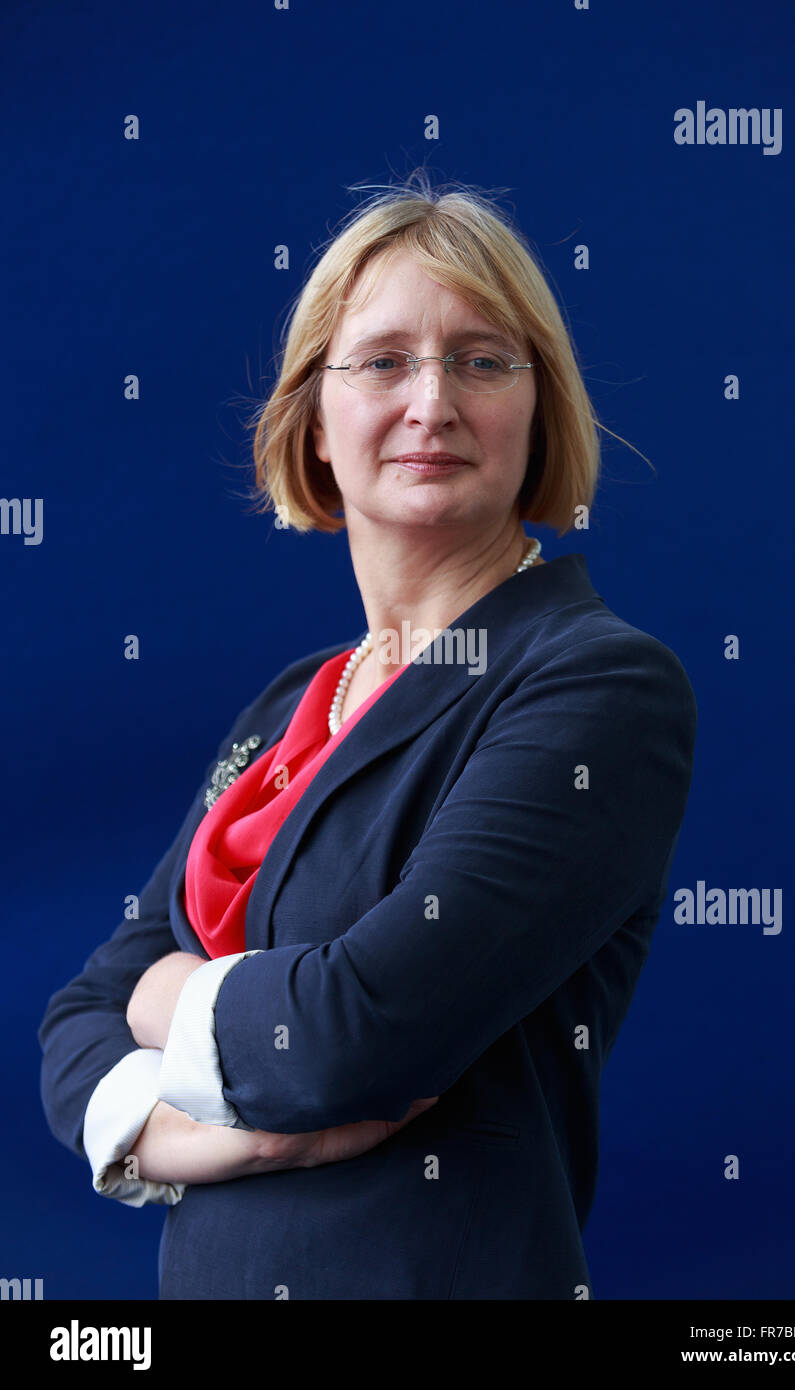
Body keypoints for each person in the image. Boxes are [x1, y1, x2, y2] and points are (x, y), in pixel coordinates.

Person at [39, 172, 697, 1300]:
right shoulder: (293, 703)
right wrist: (227, 1139)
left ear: (538, 409)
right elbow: (82, 1018)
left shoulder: (597, 685)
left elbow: (355, 1033)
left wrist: (174, 999)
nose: (431, 401)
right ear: (313, 418)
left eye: (482, 360)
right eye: (384, 360)